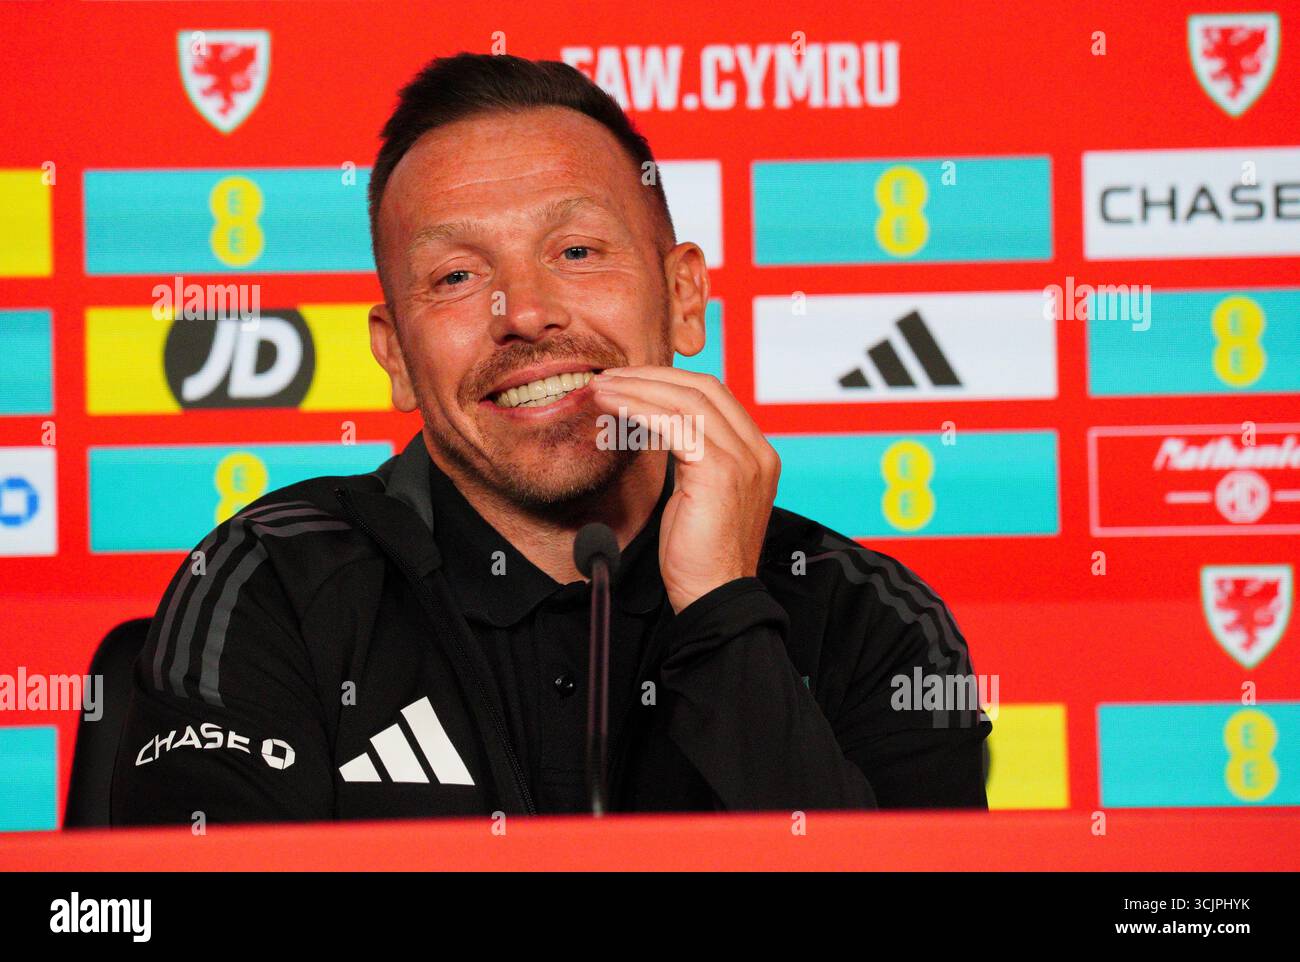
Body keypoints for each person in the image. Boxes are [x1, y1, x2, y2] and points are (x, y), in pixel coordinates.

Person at [110, 52, 991, 824]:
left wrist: (725, 612)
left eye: (576, 252)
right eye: (457, 275)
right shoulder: (269, 586)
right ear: (397, 359)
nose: (524, 314)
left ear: (683, 296)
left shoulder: (869, 619)